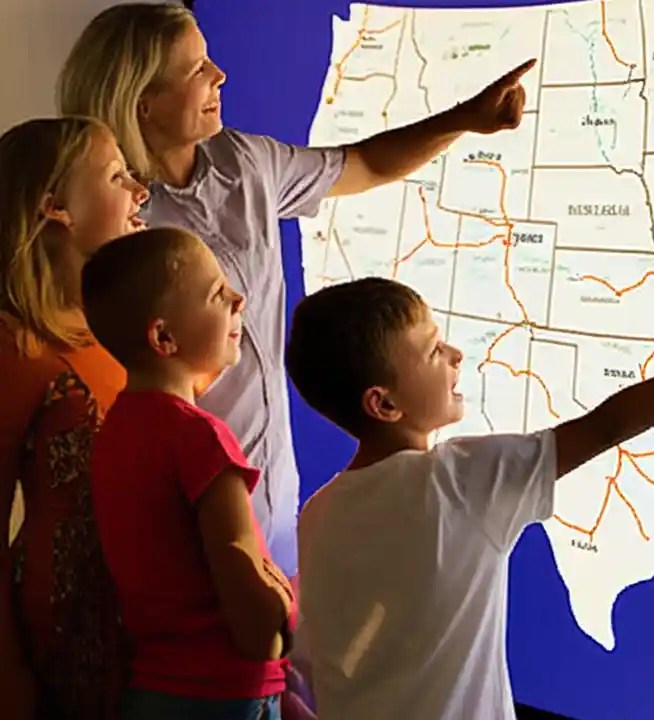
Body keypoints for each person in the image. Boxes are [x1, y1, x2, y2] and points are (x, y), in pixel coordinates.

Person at [57, 1, 536, 577]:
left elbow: (361, 165)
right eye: (196, 69)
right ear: (144, 103)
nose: (220, 76)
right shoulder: (117, 230)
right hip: (186, 503)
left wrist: (463, 119)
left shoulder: (244, 162)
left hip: (272, 490)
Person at [283, 276, 654, 719]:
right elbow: (605, 426)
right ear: (384, 403)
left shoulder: (320, 514)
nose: (455, 355)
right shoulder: (461, 483)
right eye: (432, 350)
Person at [81, 227, 297, 720]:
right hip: (227, 692)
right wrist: (293, 601)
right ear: (164, 337)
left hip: (156, 685)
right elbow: (255, 621)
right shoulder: (199, 437)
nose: (239, 299)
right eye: (218, 294)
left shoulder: (117, 428)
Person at [0, 116, 149, 720]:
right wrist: (10, 685)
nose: (140, 191)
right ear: (55, 206)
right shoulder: (15, 345)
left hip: (139, 639)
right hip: (60, 645)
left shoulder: (121, 333)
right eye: (117, 176)